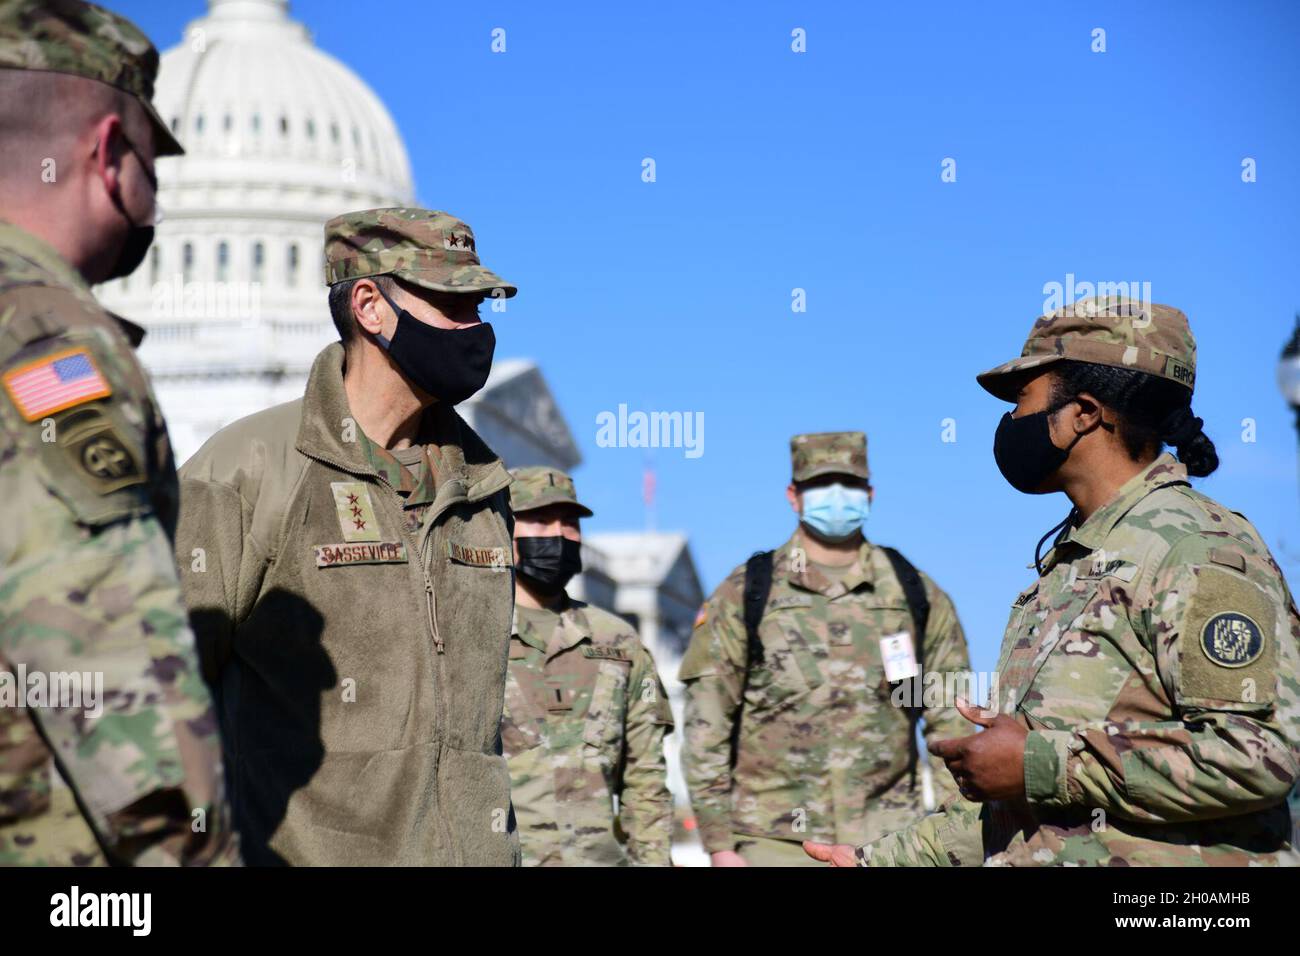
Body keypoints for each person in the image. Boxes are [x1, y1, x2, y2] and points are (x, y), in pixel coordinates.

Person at [806, 297, 1300, 866]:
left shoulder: (1197, 549)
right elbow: (1026, 805)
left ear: (1082, 413)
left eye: (1023, 400)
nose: (1012, 421)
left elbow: (1258, 755)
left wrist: (1039, 761)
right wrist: (879, 861)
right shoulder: (1074, 560)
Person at [175, 207, 521, 865]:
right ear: (370, 305)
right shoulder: (248, 471)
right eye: (452, 304)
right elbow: (154, 694)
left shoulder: (483, 490)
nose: (475, 330)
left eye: (479, 307)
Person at [0, 0, 237, 866]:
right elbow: (99, 646)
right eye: (152, 167)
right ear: (106, 156)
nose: (156, 200)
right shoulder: (44, 338)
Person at [679, 431, 972, 866]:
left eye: (850, 485)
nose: (837, 496)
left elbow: (952, 722)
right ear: (793, 496)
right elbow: (707, 724)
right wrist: (720, 846)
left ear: (869, 494)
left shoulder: (917, 593)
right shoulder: (745, 593)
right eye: (820, 485)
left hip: (890, 841)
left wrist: (955, 832)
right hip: (772, 842)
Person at [501, 466, 675, 865]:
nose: (559, 535)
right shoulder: (473, 635)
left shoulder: (618, 642)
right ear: (505, 530)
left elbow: (645, 778)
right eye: (540, 521)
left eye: (570, 524)